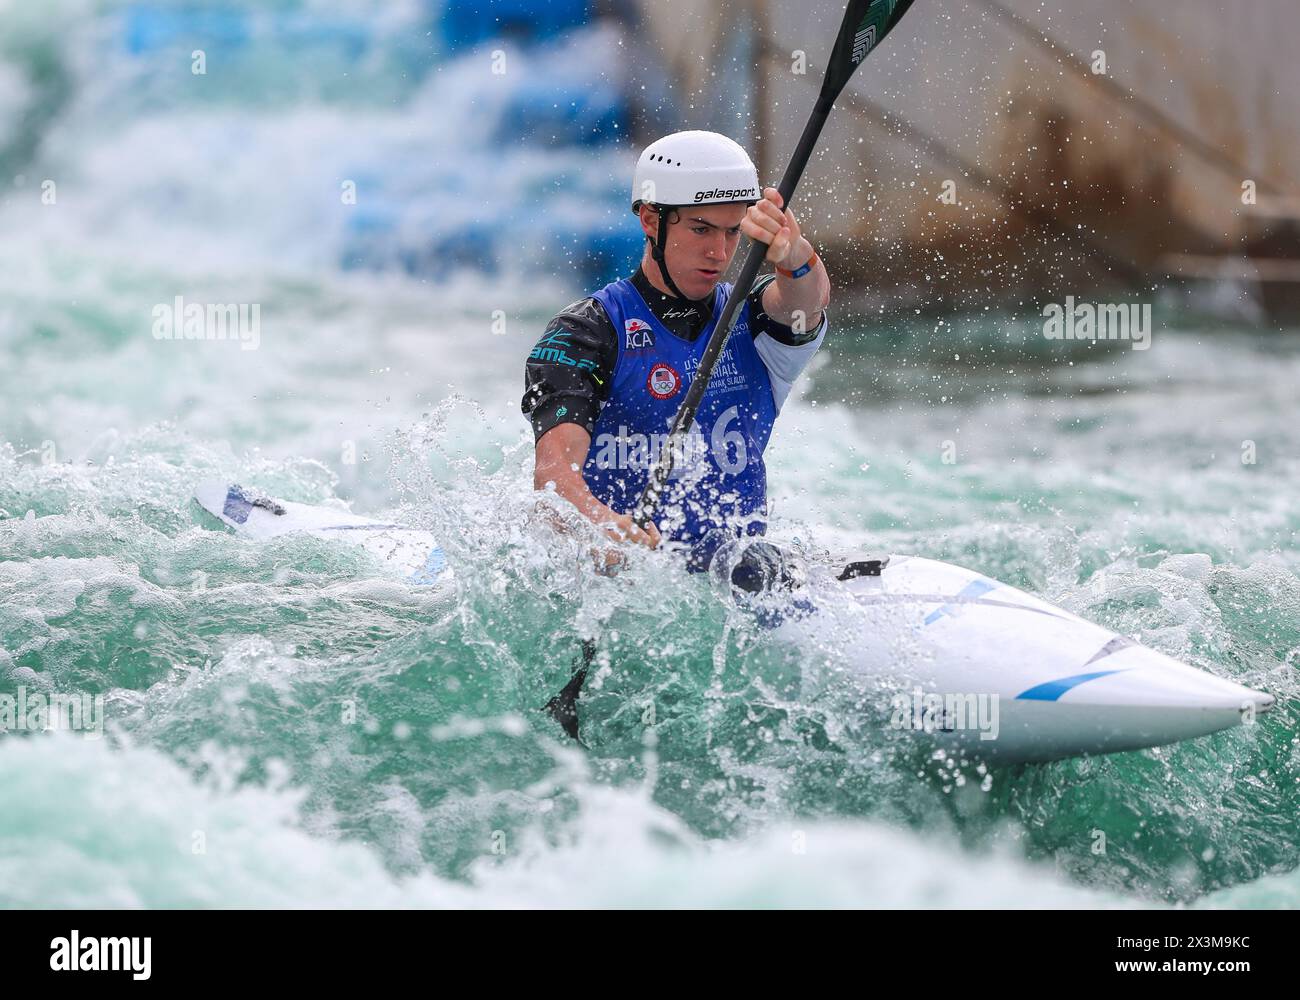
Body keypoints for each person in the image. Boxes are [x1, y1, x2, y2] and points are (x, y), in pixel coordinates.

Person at [521, 129, 830, 578]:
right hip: (623, 585)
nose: (718, 252)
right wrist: (602, 525)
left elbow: (807, 303)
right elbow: (554, 479)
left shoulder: (753, 322)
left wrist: (794, 255)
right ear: (651, 219)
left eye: (731, 233)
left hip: (734, 582)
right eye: (701, 229)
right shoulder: (585, 335)